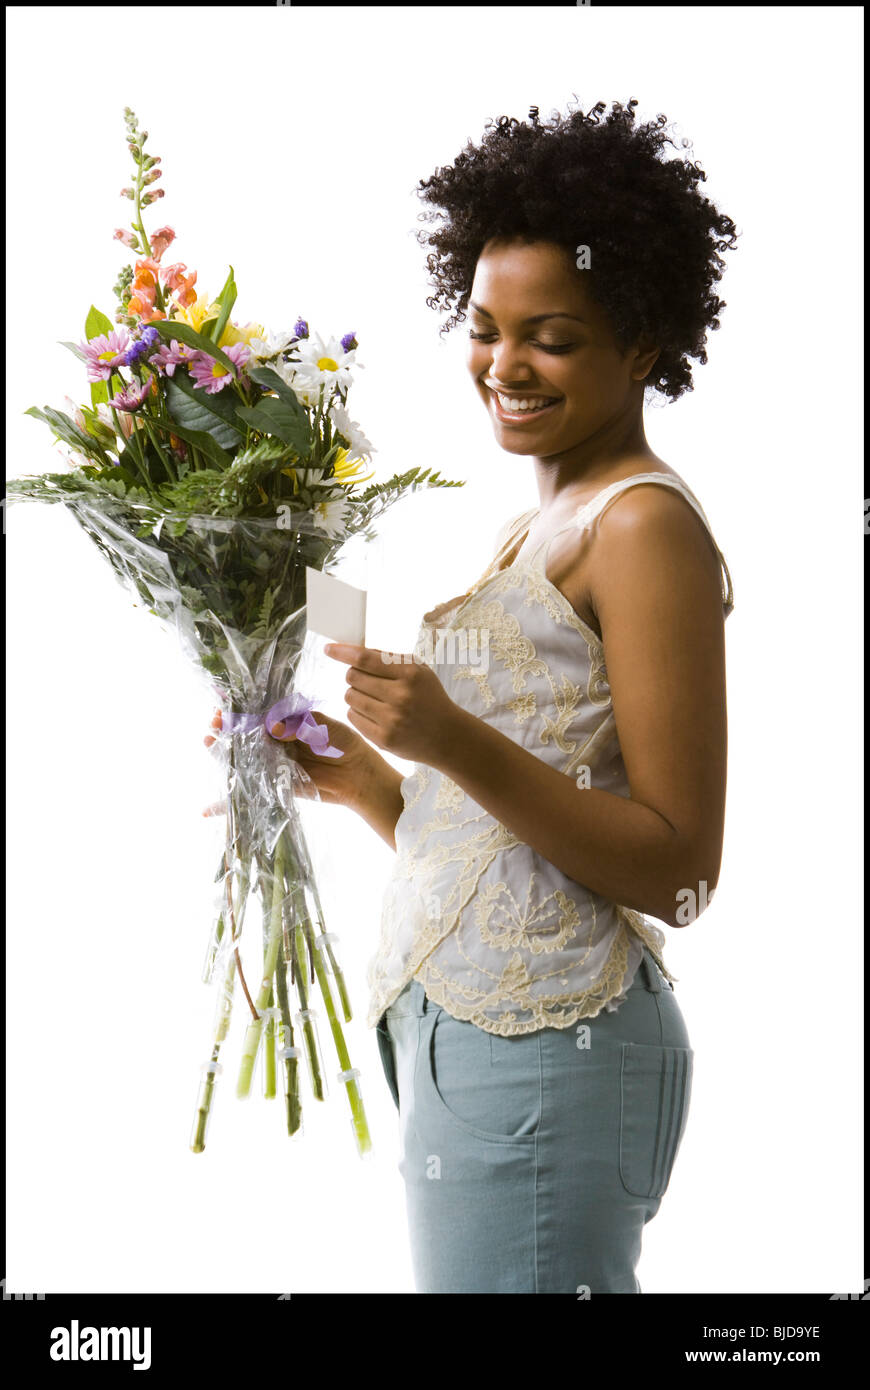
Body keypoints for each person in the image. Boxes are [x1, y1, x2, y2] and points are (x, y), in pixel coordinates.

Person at [205, 96, 737, 1293]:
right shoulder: (535, 523)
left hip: (547, 1050)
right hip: (482, 1039)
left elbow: (679, 866)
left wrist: (452, 735)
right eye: (487, 327)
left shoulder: (643, 525)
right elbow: (518, 853)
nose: (505, 365)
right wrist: (373, 784)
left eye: (550, 334)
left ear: (642, 342)